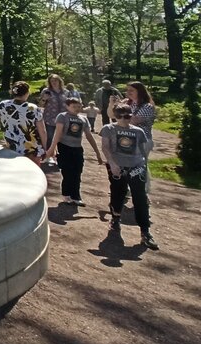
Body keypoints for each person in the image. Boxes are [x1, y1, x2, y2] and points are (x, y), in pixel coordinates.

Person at [100, 103, 158, 249]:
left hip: (136, 167)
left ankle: (145, 232)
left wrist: (144, 167)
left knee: (140, 198)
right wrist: (112, 164)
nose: (124, 119)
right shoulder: (108, 129)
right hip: (117, 167)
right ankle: (115, 217)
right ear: (115, 116)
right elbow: (105, 147)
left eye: (127, 116)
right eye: (120, 116)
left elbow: (143, 151)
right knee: (117, 194)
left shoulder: (138, 131)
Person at [46, 97, 102, 205]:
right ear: (67, 106)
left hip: (77, 148)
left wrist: (97, 153)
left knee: (77, 172)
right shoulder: (62, 117)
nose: (76, 108)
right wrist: (52, 149)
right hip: (64, 147)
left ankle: (76, 196)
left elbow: (89, 135)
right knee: (67, 172)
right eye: (73, 106)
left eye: (78, 106)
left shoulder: (83, 119)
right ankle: (66, 194)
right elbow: (57, 134)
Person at [0, 81, 48, 165]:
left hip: (12, 146)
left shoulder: (2, 105)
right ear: (26, 93)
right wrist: (45, 147)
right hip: (31, 148)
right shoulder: (33, 108)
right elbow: (42, 130)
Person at [38, 74, 66, 166]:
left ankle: (60, 157)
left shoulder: (65, 92)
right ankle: (48, 156)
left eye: (56, 81)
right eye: (52, 81)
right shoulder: (47, 91)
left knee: (62, 138)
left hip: (63, 119)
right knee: (50, 137)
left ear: (59, 81)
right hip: (50, 118)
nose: (54, 83)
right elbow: (41, 105)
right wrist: (44, 99)